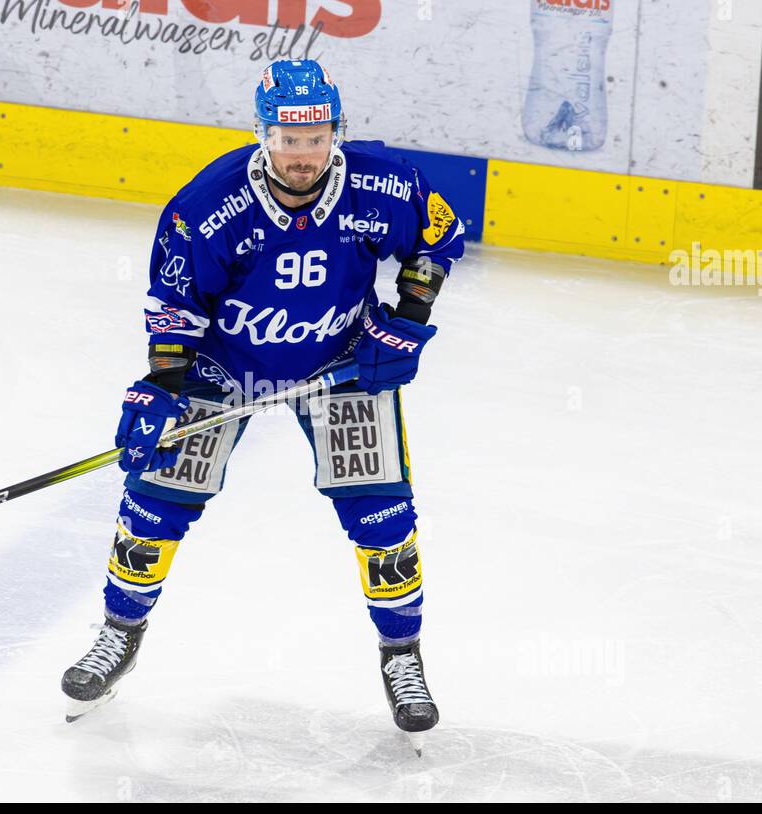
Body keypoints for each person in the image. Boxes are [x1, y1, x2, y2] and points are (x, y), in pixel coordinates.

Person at [62, 60, 464, 752]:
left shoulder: (381, 183)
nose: (301, 155)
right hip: (223, 367)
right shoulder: (210, 205)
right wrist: (162, 386)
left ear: (335, 132)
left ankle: (402, 656)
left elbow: (436, 238)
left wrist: (408, 317)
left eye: (314, 139)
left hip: (338, 363)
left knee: (382, 514)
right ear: (262, 134)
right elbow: (176, 308)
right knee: (156, 497)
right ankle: (119, 634)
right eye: (287, 139)